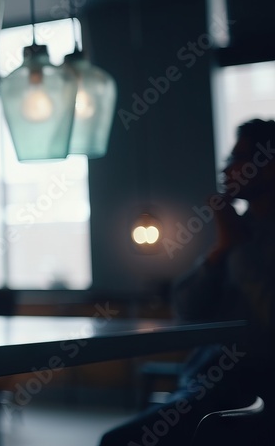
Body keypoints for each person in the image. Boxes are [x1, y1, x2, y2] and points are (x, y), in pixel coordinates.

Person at [100, 119, 275, 446]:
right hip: (201, 384)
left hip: (244, 394)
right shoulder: (238, 228)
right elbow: (186, 307)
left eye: (238, 159)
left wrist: (236, 249)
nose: (226, 170)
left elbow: (267, 323)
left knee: (116, 442)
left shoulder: (252, 238)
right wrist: (222, 249)